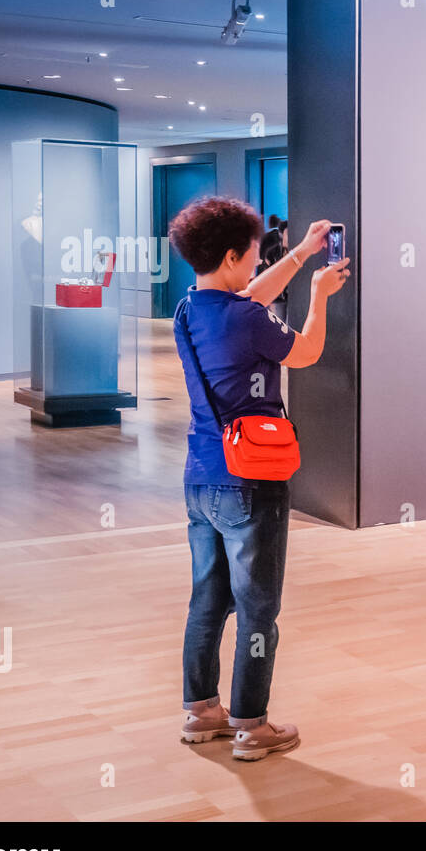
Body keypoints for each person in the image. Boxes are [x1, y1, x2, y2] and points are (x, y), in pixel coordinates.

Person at [168, 195, 350, 761]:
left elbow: (248, 298)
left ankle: (202, 713)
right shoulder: (245, 316)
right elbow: (305, 351)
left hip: (201, 476)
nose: (254, 264)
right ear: (229, 257)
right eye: (250, 255)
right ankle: (251, 724)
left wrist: (299, 254)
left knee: (207, 598)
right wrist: (319, 296)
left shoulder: (190, 308)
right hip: (252, 481)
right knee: (258, 606)